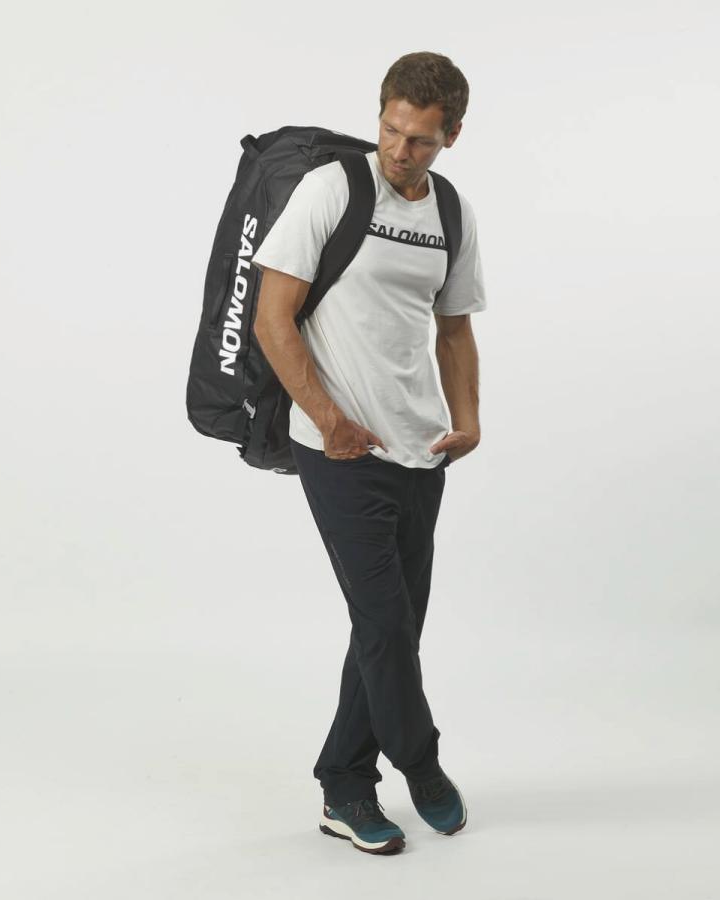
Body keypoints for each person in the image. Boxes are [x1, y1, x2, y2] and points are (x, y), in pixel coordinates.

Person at [251, 51, 486, 855]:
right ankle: (421, 764)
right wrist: (328, 419)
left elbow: (454, 329)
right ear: (380, 115)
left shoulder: (451, 211)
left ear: (452, 136)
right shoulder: (334, 189)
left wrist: (467, 419)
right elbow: (273, 317)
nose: (399, 150)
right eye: (390, 130)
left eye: (420, 140)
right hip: (340, 448)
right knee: (385, 622)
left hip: (421, 449)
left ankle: (344, 785)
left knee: (391, 628)